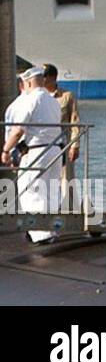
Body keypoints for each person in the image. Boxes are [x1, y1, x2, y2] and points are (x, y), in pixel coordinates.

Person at [2, 67, 63, 242]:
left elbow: (18, 130)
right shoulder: (53, 101)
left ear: (28, 82)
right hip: (56, 149)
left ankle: (41, 233)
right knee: (51, 191)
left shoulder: (31, 101)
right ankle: (52, 229)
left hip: (37, 150)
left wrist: (6, 150)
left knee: (31, 189)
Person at [43, 64, 80, 210]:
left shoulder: (66, 96)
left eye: (44, 77)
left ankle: (69, 211)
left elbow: (75, 120)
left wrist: (75, 145)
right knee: (45, 179)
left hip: (63, 143)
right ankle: (47, 209)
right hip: (45, 144)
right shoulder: (40, 98)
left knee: (66, 178)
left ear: (52, 78)